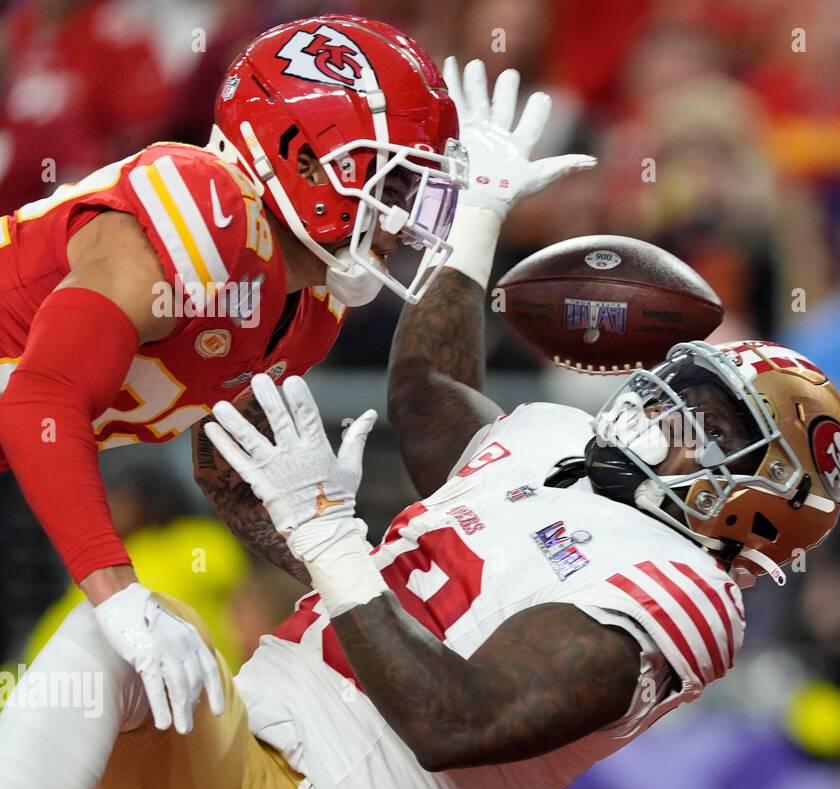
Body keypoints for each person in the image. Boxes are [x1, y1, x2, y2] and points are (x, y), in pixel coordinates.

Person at [0, 76, 840, 789]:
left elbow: (455, 719)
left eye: (712, 424)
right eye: (685, 390)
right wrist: (477, 212)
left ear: (762, 503)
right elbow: (428, 388)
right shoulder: (559, 447)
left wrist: (330, 538)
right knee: (123, 634)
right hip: (234, 751)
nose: (670, 410)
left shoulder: (688, 592)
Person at [0, 14, 589, 736]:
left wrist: (337, 552)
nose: (406, 216)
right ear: (303, 162)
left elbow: (227, 468)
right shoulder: (202, 210)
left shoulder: (308, 309)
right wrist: (118, 593)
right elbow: (40, 397)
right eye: (394, 179)